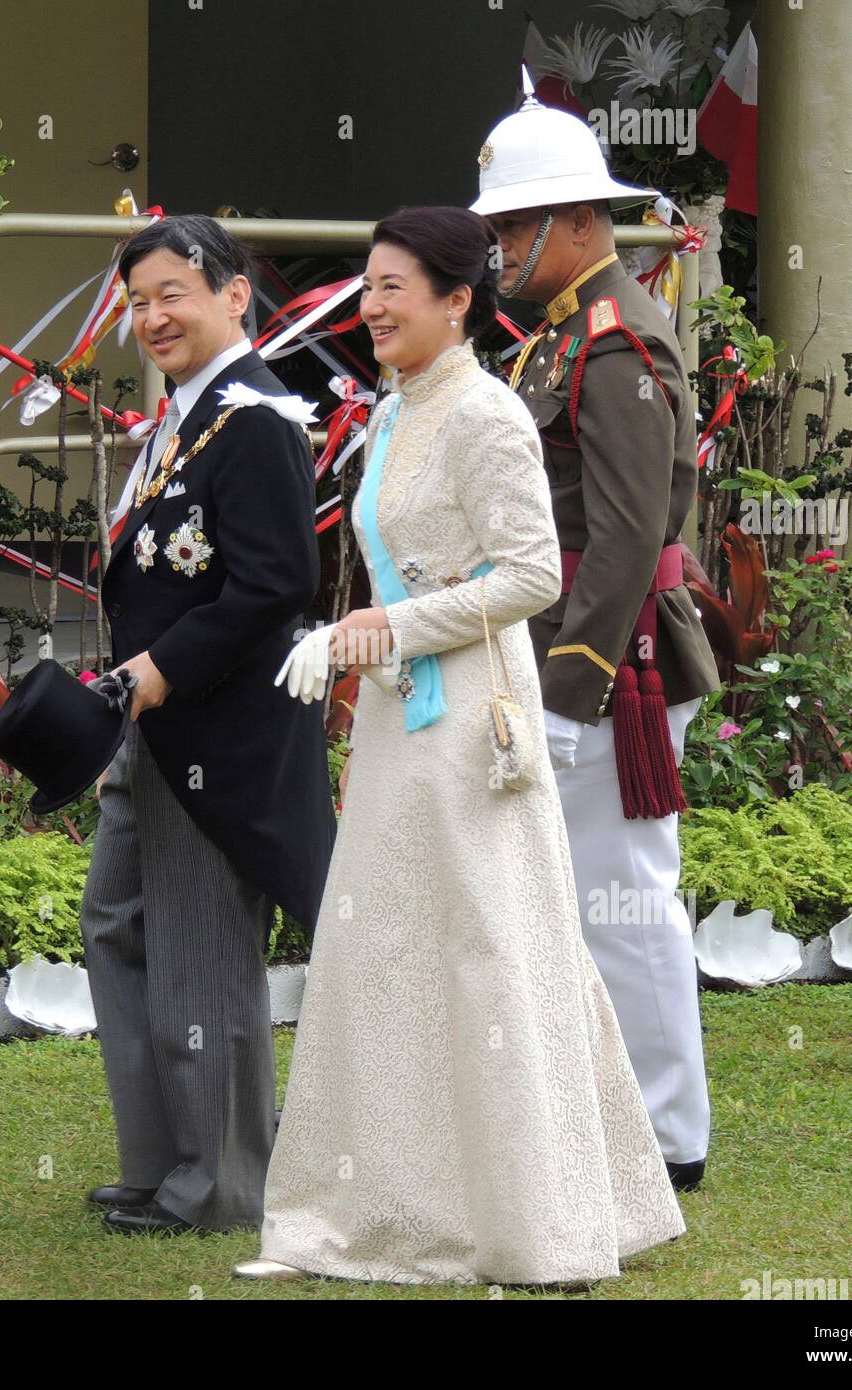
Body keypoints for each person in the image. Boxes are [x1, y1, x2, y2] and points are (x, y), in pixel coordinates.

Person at [232, 206, 686, 1286]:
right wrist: (362, 635)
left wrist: (387, 626)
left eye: (396, 287)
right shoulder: (393, 414)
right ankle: (374, 1205)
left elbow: (529, 576)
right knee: (381, 944)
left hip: (477, 715)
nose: (374, 305)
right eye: (367, 286)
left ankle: (538, 1219)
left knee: (491, 943)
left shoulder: (485, 413)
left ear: (455, 301)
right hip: (399, 711)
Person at [470, 81, 720, 1190]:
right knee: (575, 900)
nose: (497, 249)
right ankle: (610, 1109)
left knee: (625, 901)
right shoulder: (554, 341)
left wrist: (567, 692)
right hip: (575, 648)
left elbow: (624, 542)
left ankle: (669, 1134)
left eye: (511, 227)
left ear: (579, 223)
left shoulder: (613, 341)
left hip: (614, 665)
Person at [80, 214, 336, 1235]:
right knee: (117, 926)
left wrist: (159, 667)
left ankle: (221, 1181)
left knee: (199, 955)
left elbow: (277, 583)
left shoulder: (256, 417)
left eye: (171, 293)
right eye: (136, 301)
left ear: (234, 294)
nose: (151, 318)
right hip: (151, 724)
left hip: (218, 740)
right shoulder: (183, 417)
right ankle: (159, 1160)